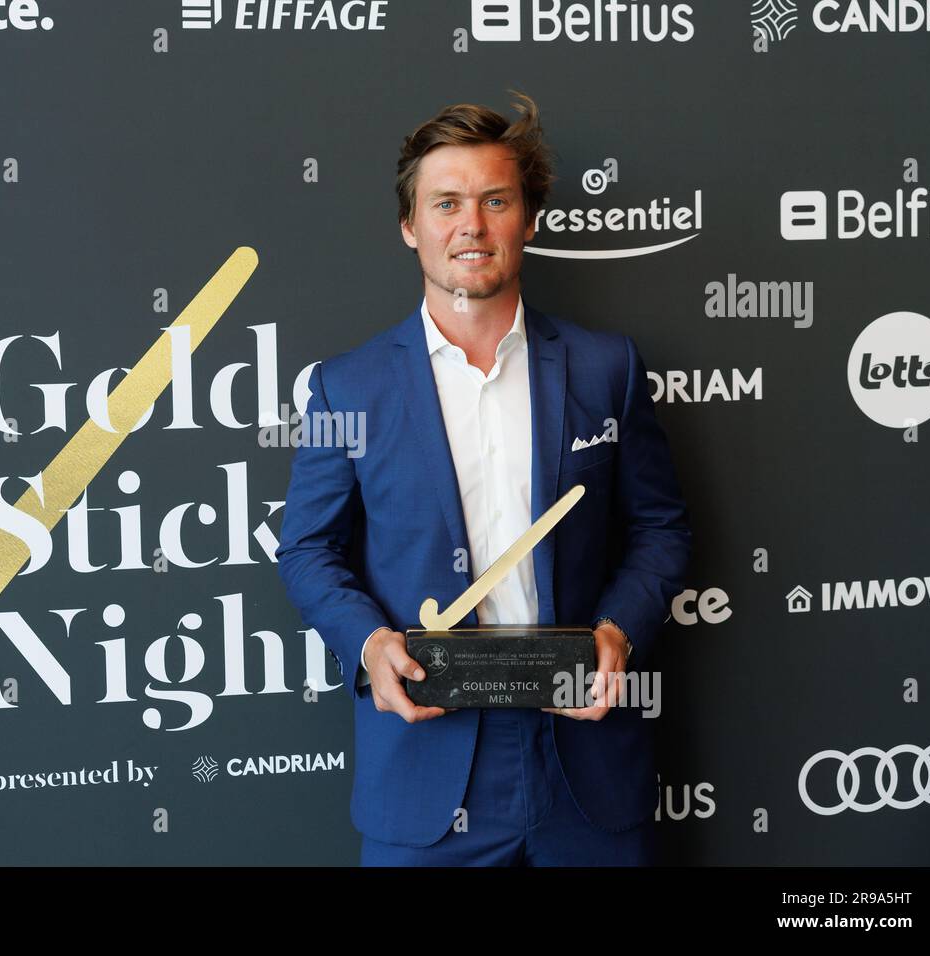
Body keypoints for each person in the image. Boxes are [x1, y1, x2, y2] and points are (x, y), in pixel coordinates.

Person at [274, 91, 692, 866]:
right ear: (411, 227)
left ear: (527, 220)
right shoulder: (346, 388)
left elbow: (660, 529)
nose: (472, 224)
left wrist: (616, 630)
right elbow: (306, 550)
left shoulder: (608, 370)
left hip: (585, 758)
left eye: (495, 200)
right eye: (447, 203)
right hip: (426, 762)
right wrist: (368, 645)